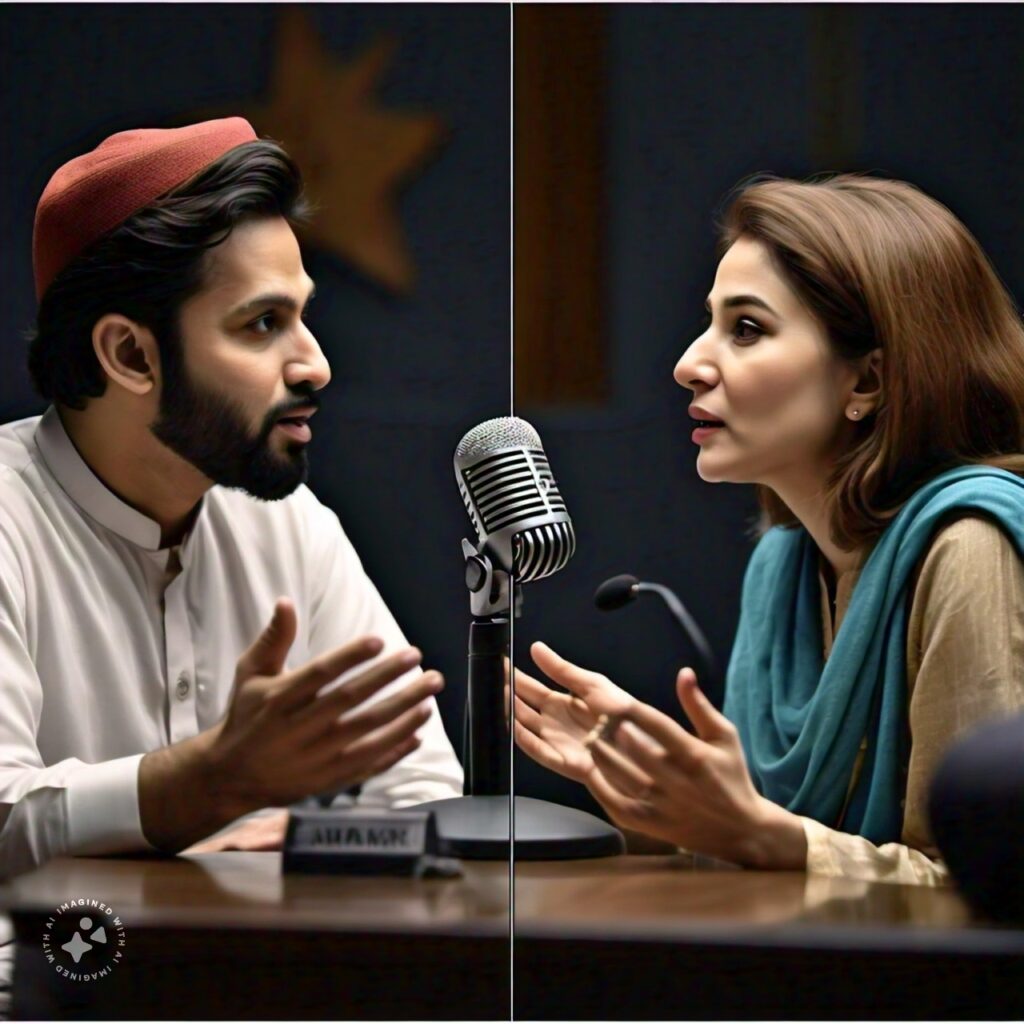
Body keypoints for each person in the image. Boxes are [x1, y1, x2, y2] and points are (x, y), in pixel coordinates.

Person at [513, 174, 1024, 885]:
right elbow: (769, 849)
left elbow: (987, 888)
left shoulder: (968, 548)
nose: (688, 364)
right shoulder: (783, 566)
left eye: (746, 329)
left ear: (867, 381)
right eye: (711, 322)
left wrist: (758, 833)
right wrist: (670, 814)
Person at [0, 117, 463, 879]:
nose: (315, 364)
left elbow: (421, 793)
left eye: (301, 316)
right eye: (263, 324)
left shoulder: (292, 529)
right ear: (129, 354)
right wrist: (207, 784)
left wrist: (302, 847)